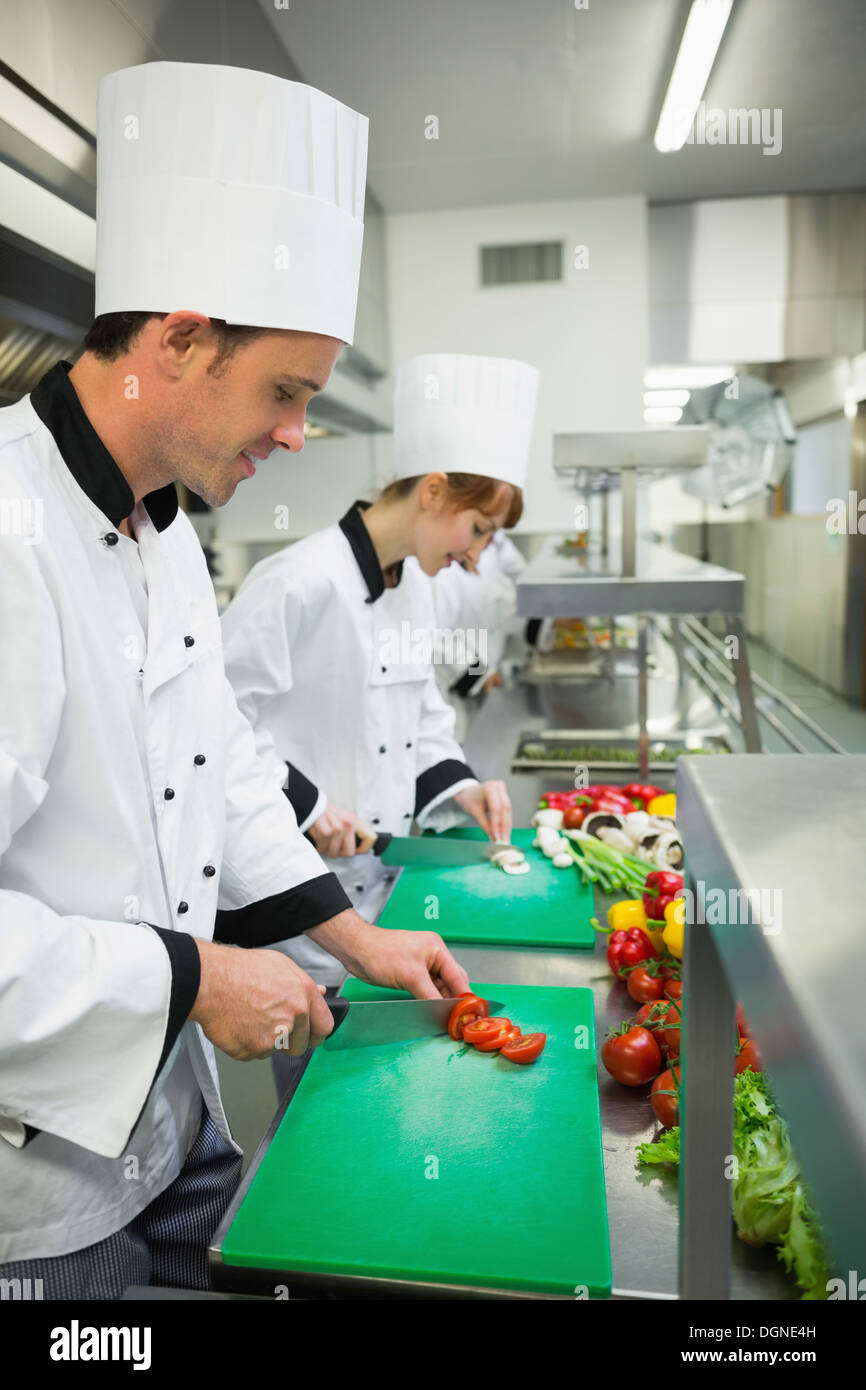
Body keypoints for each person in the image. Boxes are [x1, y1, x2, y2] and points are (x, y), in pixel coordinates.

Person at [0, 61, 469, 1300]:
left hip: (174, 1124)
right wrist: (201, 977)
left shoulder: (164, 538)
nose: (299, 435)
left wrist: (350, 934)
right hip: (37, 1198)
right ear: (181, 340)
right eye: (286, 393)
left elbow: (226, 772)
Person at [221, 352, 539, 1094]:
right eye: (477, 527)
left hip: (386, 908)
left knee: (386, 1102)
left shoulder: (415, 591)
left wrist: (463, 787)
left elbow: (423, 715)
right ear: (433, 491)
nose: (475, 554)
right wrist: (306, 804)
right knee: (316, 1118)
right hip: (302, 913)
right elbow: (216, 725)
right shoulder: (300, 582)